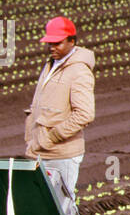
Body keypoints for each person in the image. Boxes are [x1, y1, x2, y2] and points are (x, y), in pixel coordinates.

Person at [24, 16, 94, 199]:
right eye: (49, 43)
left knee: (63, 206)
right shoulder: (51, 65)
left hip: (62, 154)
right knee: (43, 204)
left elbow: (85, 114)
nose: (52, 47)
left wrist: (52, 137)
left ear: (72, 41)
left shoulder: (79, 71)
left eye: (57, 43)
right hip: (41, 151)